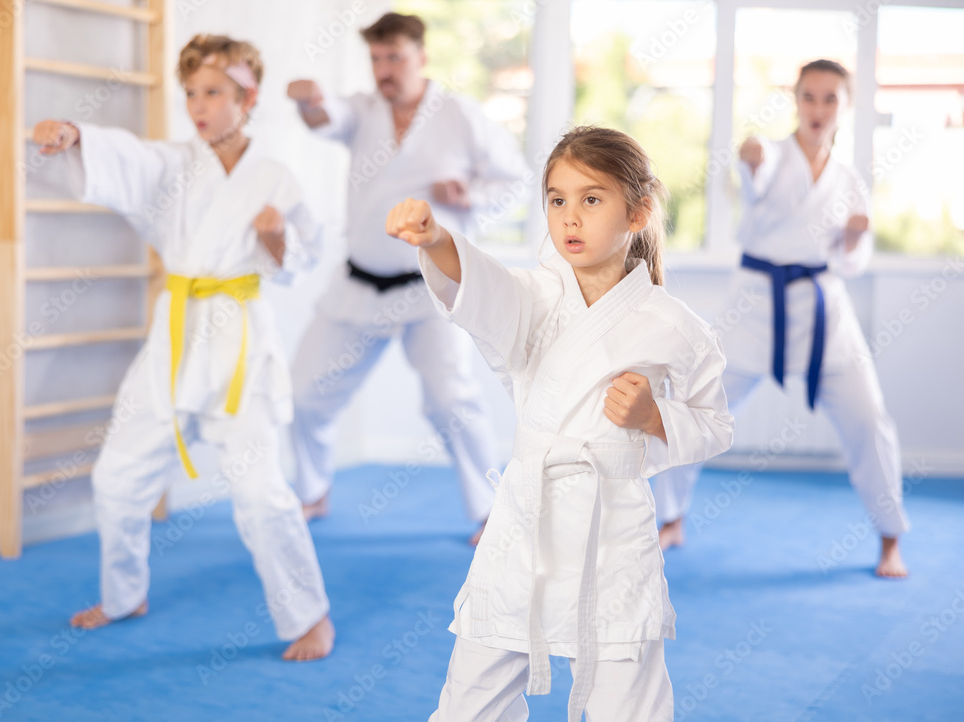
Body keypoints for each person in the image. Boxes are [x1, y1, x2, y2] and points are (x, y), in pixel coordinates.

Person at [387, 126, 734, 722]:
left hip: (613, 530)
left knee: (627, 705)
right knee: (470, 702)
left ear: (638, 211)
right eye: (557, 200)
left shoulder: (673, 323)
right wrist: (438, 237)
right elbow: (482, 284)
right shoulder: (535, 296)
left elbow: (715, 424)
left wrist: (655, 417)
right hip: (525, 519)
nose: (570, 218)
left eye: (591, 199)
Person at [32, 34, 335, 660]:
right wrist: (74, 135)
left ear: (247, 97)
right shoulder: (173, 166)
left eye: (214, 92)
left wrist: (274, 238)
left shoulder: (275, 176)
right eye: (191, 92)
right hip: (173, 343)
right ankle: (123, 595)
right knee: (116, 478)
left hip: (239, 347)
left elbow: (299, 263)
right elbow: (127, 161)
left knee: (259, 494)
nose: (198, 104)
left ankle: (311, 616)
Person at [650, 59, 910, 578]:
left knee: (870, 420)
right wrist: (749, 161)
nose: (818, 109)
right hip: (755, 307)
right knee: (694, 405)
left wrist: (855, 241)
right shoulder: (769, 154)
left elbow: (852, 263)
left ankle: (889, 538)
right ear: (796, 100)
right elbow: (755, 180)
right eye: (809, 97)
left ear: (844, 106)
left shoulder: (850, 180)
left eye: (830, 99)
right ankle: (670, 518)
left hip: (821, 310)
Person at [285, 13, 528, 542]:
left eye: (394, 57)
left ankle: (493, 512)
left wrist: (470, 196)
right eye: (376, 58)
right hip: (359, 283)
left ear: (421, 56)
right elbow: (324, 116)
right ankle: (311, 490)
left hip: (430, 287)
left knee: (450, 401)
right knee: (304, 393)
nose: (384, 69)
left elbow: (515, 182)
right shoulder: (362, 110)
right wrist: (308, 100)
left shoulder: (460, 114)